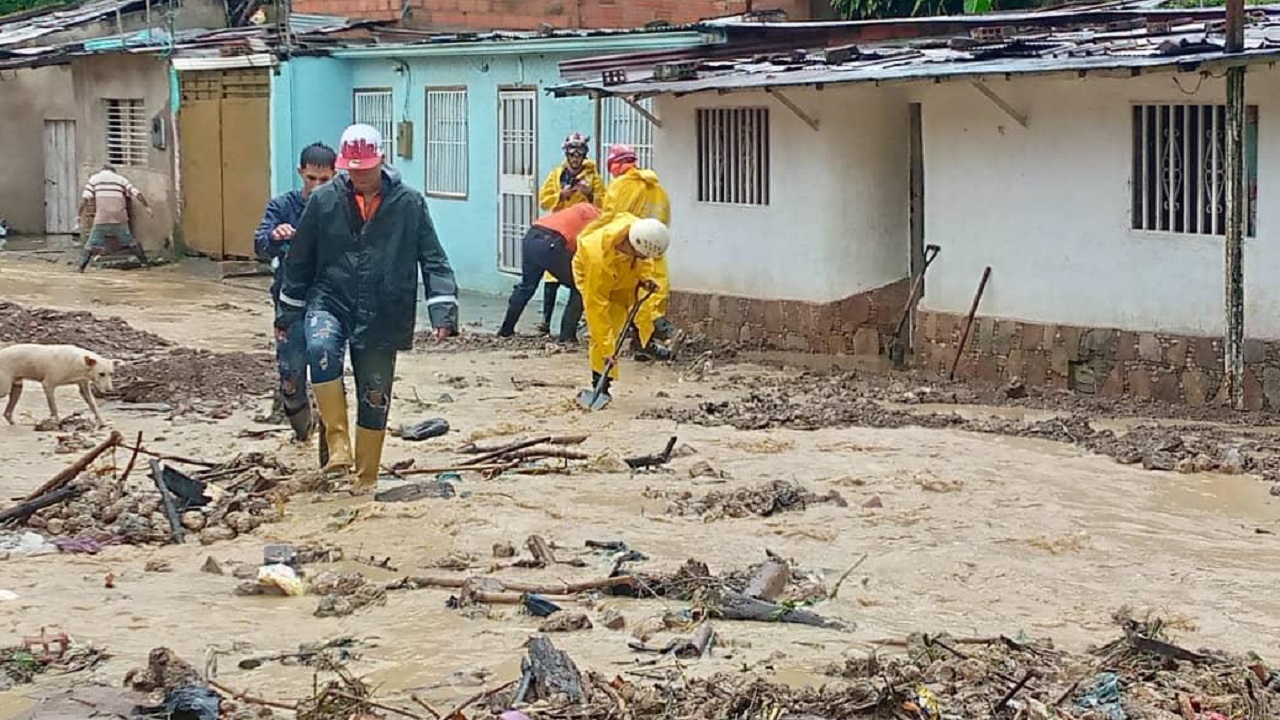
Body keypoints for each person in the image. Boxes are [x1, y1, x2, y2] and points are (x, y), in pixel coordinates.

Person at [277, 124, 459, 492]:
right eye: (352, 169)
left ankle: (366, 480)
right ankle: (338, 444)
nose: (359, 176)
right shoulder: (324, 200)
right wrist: (288, 313)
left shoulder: (409, 203)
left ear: (382, 161)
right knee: (321, 348)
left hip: (384, 307)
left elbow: (433, 259)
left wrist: (443, 312)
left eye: (366, 169)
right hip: (330, 298)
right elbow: (299, 261)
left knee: (375, 393)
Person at [253, 142, 337, 441]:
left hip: (331, 301)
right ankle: (302, 432)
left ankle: (332, 441)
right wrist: (275, 236)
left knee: (328, 366)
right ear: (301, 173)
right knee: (291, 374)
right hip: (290, 303)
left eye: (324, 180)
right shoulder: (283, 206)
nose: (316, 186)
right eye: (310, 178)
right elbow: (259, 243)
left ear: (335, 176)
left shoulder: (341, 207)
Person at [572, 211, 671, 404]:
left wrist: (645, 278)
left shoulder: (639, 231)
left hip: (623, 273)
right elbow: (596, 310)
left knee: (628, 322)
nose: (646, 259)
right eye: (643, 256)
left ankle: (641, 344)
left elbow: (644, 263)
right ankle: (600, 386)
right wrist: (608, 349)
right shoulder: (597, 259)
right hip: (595, 280)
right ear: (634, 247)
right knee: (604, 333)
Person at [600, 144, 678, 360]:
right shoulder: (658, 189)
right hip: (655, 252)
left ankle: (652, 336)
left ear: (615, 165)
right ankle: (643, 344)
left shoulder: (620, 187)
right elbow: (665, 222)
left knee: (630, 300)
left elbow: (609, 220)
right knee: (652, 298)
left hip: (629, 251)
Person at [497, 202, 601, 343]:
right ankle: (567, 336)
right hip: (553, 242)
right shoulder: (598, 221)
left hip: (531, 236)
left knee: (526, 286)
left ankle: (505, 330)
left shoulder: (582, 207)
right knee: (581, 286)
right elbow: (588, 249)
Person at [535, 133, 605, 336]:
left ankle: (580, 319)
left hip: (584, 232)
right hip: (560, 230)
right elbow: (544, 200)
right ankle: (545, 321)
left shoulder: (593, 178)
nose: (575, 158)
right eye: (572, 153)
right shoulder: (557, 175)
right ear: (566, 154)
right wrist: (561, 195)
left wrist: (589, 193)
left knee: (582, 276)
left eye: (580, 153)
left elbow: (604, 203)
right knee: (551, 277)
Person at [76, 164, 152, 272]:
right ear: (113, 171)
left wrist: (79, 215)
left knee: (91, 243)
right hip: (119, 217)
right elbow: (136, 193)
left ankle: (81, 268)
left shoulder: (94, 179)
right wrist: (147, 207)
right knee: (130, 241)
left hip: (102, 218)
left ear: (102, 170)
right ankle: (145, 264)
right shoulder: (120, 179)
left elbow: (85, 198)